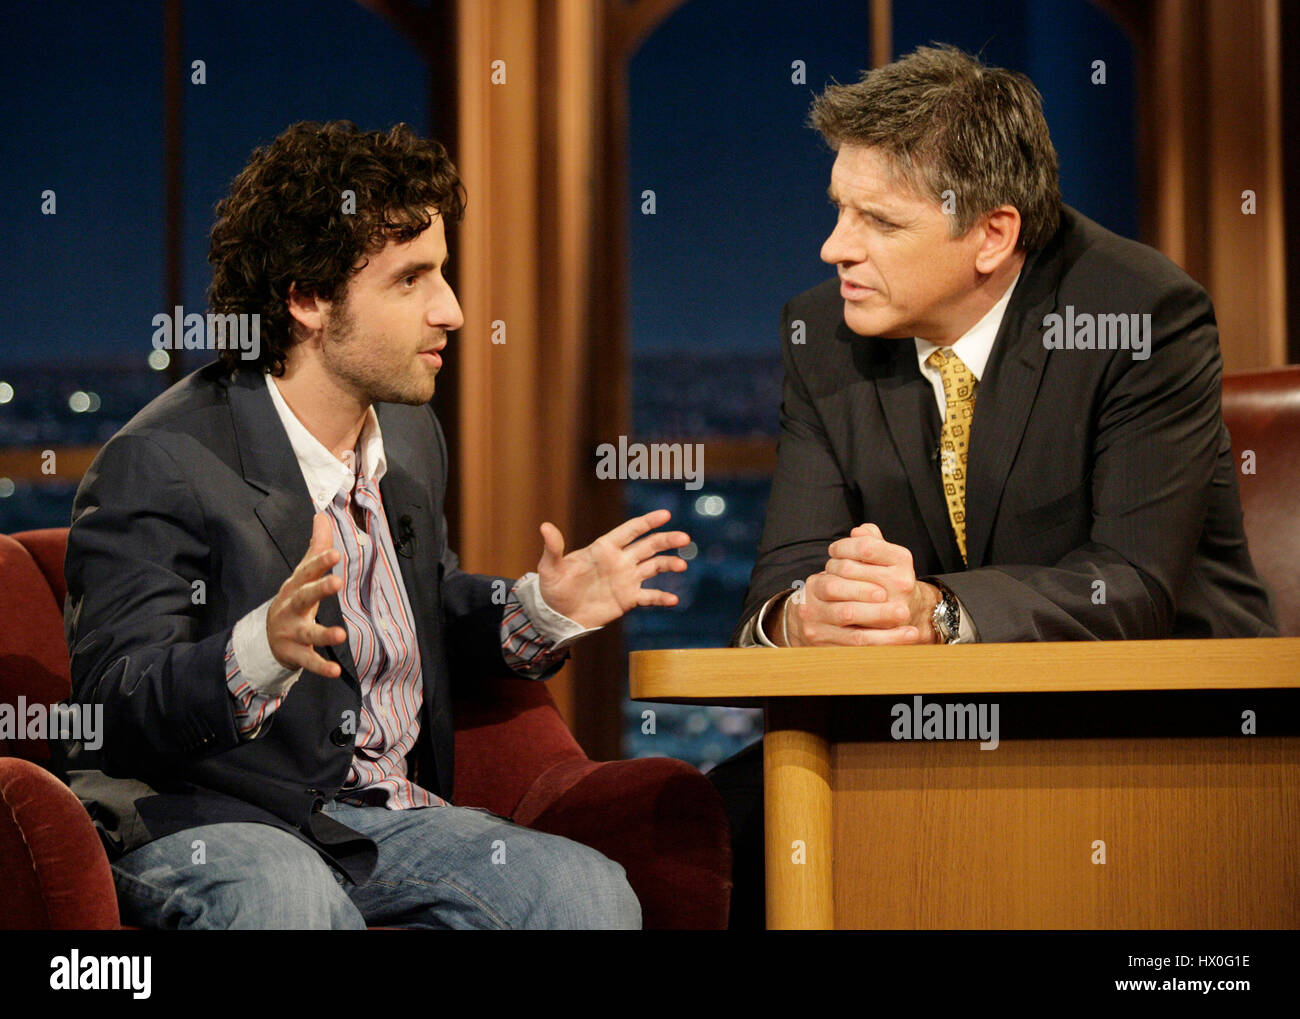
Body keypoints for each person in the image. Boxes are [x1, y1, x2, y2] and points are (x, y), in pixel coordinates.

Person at [56, 120, 690, 930]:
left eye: (445, 275)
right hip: (212, 817)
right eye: (411, 280)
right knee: (288, 899)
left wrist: (535, 609)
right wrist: (256, 651)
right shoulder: (160, 460)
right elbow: (113, 703)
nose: (453, 311)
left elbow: (415, 612)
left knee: (585, 892)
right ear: (308, 298)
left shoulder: (411, 436)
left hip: (379, 816)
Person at [710, 45, 1277, 928]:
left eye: (880, 223)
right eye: (837, 211)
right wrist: (808, 614)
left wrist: (933, 613)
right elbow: (780, 580)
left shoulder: (1137, 313)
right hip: (926, 732)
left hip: (1157, 731)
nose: (835, 249)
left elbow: (1131, 585)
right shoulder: (823, 333)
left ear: (993, 234)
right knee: (716, 833)